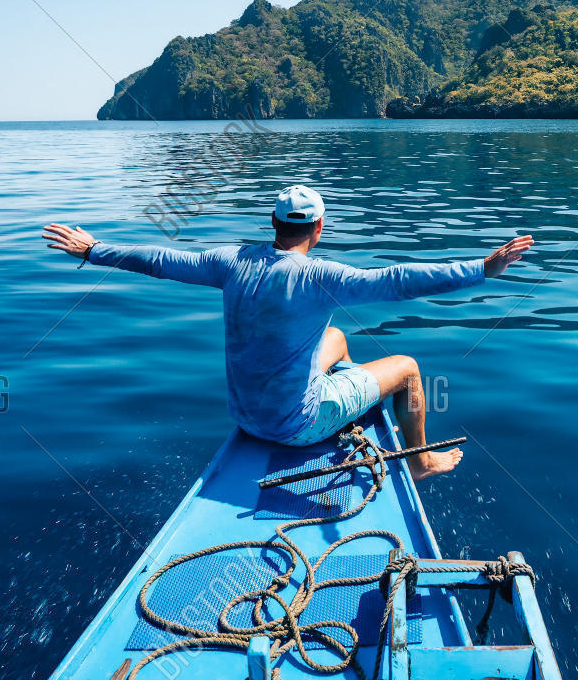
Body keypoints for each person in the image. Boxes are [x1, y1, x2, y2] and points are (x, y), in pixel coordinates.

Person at [41, 185, 532, 479]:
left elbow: (160, 260)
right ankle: (421, 462)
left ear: (273, 224)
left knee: (336, 339)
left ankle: (335, 395)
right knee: (406, 368)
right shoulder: (322, 277)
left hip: (243, 415)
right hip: (291, 426)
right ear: (318, 228)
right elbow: (398, 281)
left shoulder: (230, 261)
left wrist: (93, 249)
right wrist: (482, 269)